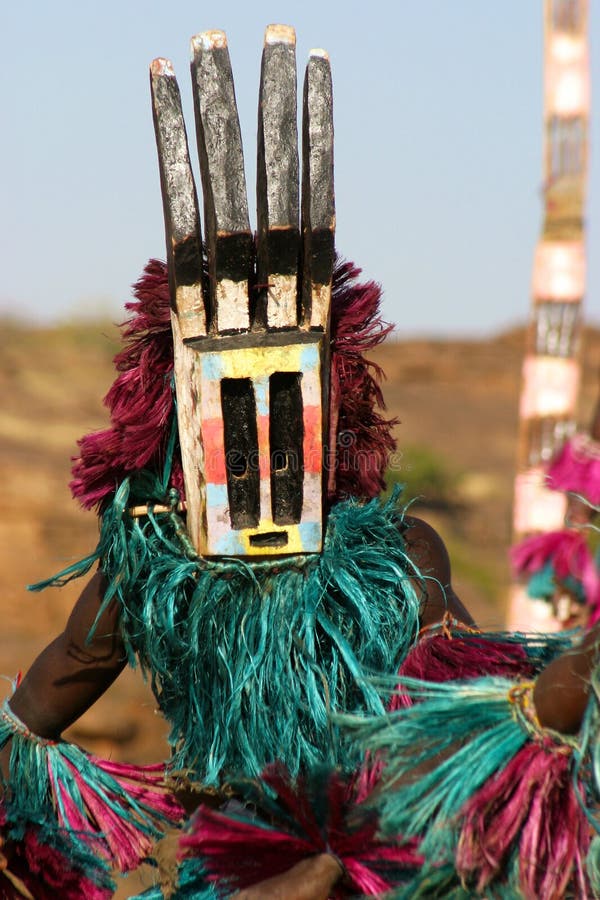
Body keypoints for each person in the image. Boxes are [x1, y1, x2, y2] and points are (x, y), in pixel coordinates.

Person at [1, 24, 599, 900]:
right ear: (179, 405)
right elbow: (34, 722)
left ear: (334, 398)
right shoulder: (151, 567)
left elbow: (470, 712)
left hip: (367, 869)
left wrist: (574, 676)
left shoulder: (396, 558)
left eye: (285, 394)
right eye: (229, 398)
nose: (257, 435)